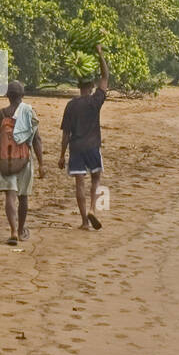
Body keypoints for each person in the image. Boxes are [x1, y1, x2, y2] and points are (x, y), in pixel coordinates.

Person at [59, 44, 108, 230]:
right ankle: (93, 209)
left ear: (79, 87)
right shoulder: (95, 101)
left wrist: (61, 155)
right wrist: (100, 54)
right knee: (96, 178)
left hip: (76, 147)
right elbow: (105, 76)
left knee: (79, 183)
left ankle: (84, 222)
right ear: (91, 86)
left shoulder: (71, 105)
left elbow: (66, 133)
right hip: (93, 146)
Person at [0, 80, 44, 245]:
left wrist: (0, 156)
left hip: (6, 160)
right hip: (24, 160)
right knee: (23, 197)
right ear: (22, 96)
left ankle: (13, 231)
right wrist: (41, 164)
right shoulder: (29, 112)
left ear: (7, 96)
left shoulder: (0, 115)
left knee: (10, 195)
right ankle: (21, 231)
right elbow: (36, 140)